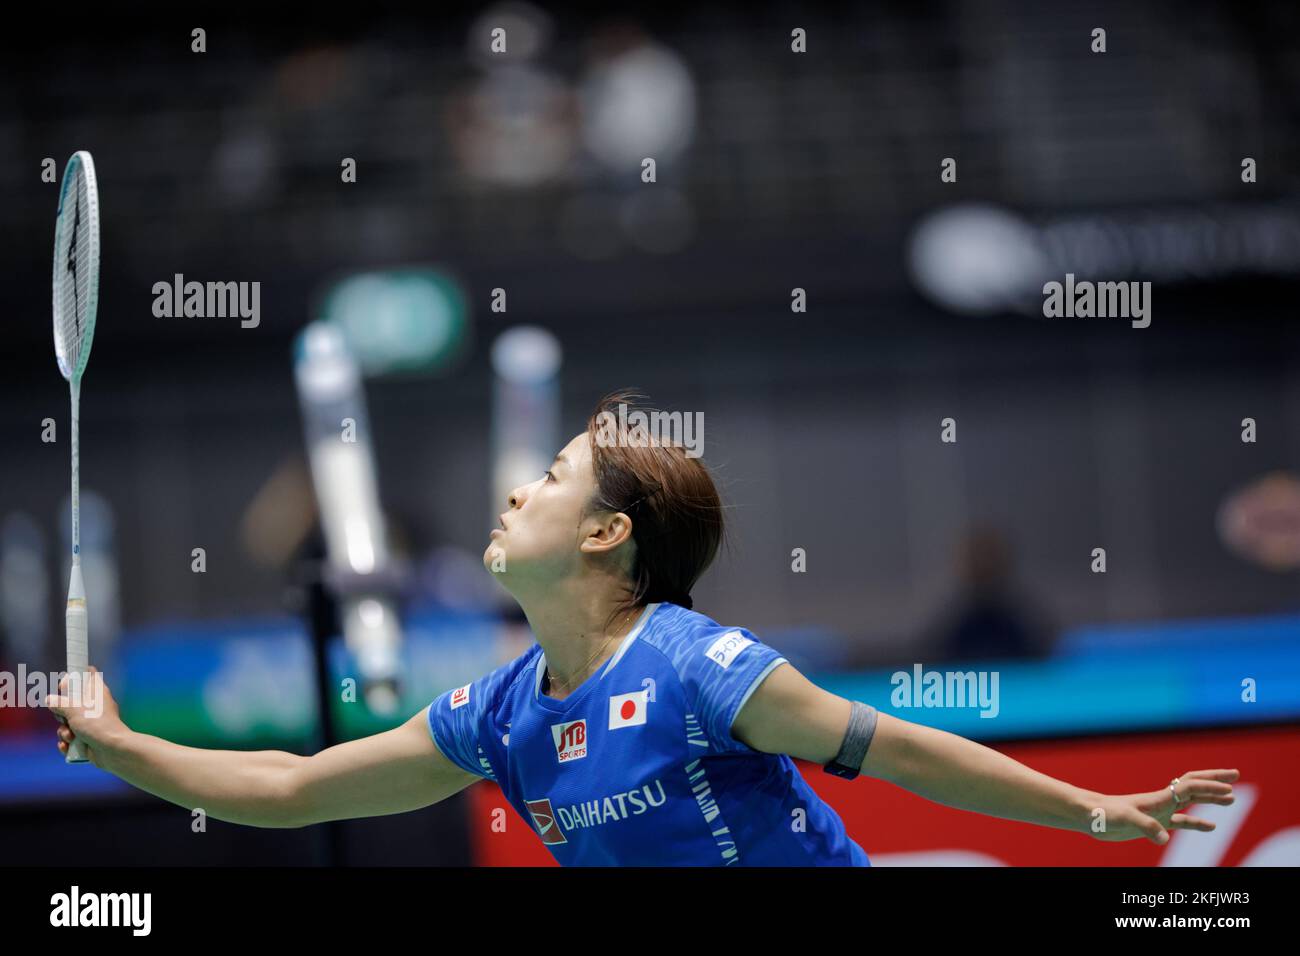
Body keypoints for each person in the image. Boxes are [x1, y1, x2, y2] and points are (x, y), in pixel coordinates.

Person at [45, 391, 1238, 865]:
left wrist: (1096, 808)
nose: (513, 494)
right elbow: (296, 785)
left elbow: (899, 746)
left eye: (552, 477)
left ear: (609, 535)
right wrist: (119, 745)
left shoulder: (696, 666)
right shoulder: (499, 710)